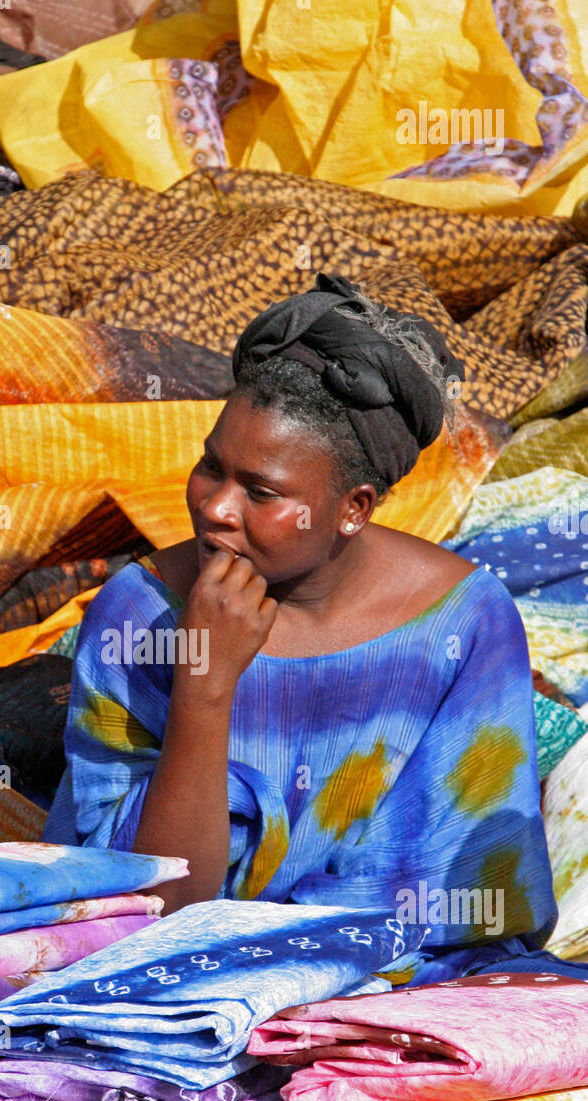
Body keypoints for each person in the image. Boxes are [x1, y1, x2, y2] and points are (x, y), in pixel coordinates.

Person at [44, 274, 556, 960]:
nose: (217, 509)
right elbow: (144, 906)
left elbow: (479, 902)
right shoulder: (141, 617)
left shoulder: (460, 625)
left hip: (380, 973)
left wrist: (301, 949)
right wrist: (206, 683)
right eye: (211, 467)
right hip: (171, 967)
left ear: (354, 508)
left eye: (261, 492)